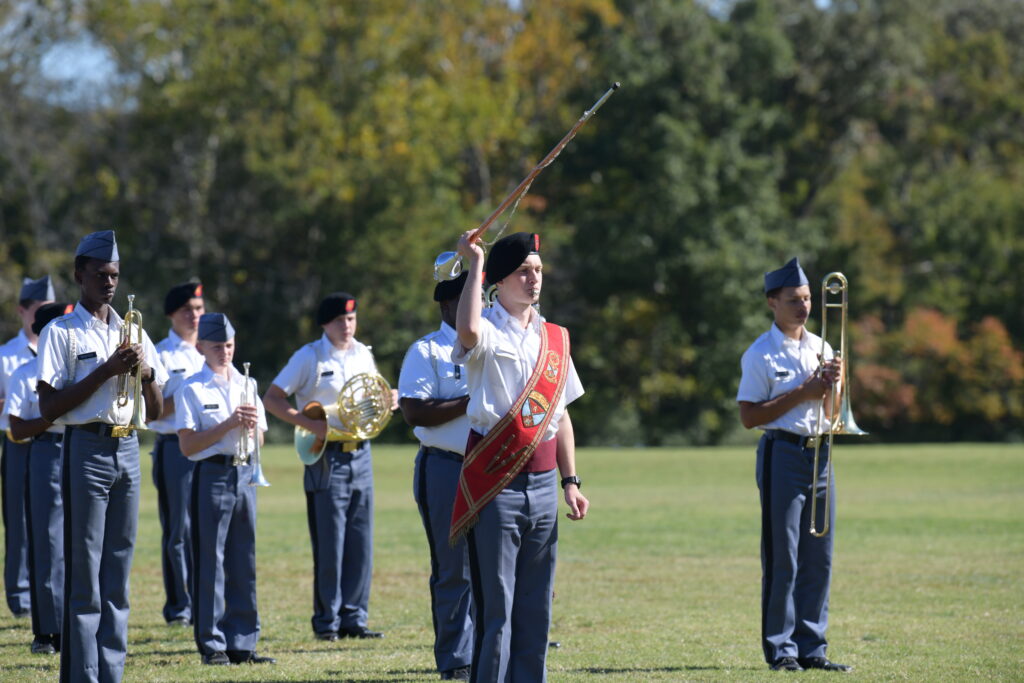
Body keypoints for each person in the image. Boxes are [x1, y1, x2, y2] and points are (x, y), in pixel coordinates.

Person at [450, 230, 589, 682]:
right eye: (523, 272)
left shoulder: (555, 338)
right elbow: (468, 331)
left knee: (536, 605)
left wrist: (571, 482)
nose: (534, 279)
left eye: (538, 270)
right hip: (496, 481)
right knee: (497, 609)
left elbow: (560, 414)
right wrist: (474, 263)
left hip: (545, 484)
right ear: (500, 281)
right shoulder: (487, 328)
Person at [36, 230, 167, 683]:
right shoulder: (61, 332)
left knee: (118, 572)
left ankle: (111, 673)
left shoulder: (133, 330)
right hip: (86, 447)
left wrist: (145, 373)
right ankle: (83, 674)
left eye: (114, 275)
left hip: (128, 447)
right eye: (100, 275)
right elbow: (49, 407)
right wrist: (107, 370)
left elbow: (158, 410)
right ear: (79, 276)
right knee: (85, 571)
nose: (109, 283)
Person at [736, 257, 851, 673]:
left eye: (806, 299)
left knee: (819, 556)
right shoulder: (760, 353)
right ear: (772, 302)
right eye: (793, 300)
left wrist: (834, 385)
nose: (803, 307)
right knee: (783, 557)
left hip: (820, 455)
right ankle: (781, 649)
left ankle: (812, 647)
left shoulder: (822, 346)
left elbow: (832, 412)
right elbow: (749, 416)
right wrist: (804, 391)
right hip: (782, 454)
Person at [263, 292, 390, 641]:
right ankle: (327, 622)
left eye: (351, 318)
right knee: (330, 543)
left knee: (361, 541)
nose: (347, 325)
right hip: (326, 456)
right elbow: (272, 398)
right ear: (324, 324)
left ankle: (354, 619)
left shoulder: (363, 353)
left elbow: (371, 396)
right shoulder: (309, 356)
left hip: (361, 453)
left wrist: (387, 401)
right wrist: (309, 424)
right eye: (339, 320)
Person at [176, 312, 274, 666]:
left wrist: (250, 428)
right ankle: (212, 642)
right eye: (218, 346)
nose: (225, 352)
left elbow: (260, 438)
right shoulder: (192, 388)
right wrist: (230, 423)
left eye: (229, 345)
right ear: (201, 347)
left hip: (244, 472)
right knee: (210, 561)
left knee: (243, 559)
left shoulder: (248, 383)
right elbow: (188, 446)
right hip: (211, 474)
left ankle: (243, 642)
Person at [398, 270, 473, 681]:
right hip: (446, 466)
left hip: (490, 467)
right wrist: (468, 402)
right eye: (465, 299)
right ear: (446, 305)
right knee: (453, 566)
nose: (476, 306)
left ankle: (490, 648)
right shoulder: (427, 350)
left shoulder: (489, 344)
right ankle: (456, 659)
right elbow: (414, 411)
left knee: (493, 565)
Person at [4, 301, 73, 655]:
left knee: (85, 542)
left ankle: (79, 623)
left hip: (83, 448)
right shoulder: (25, 373)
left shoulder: (78, 370)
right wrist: (54, 414)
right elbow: (16, 429)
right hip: (46, 450)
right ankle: (48, 629)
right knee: (46, 540)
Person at [147, 281, 205, 627]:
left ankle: (205, 601)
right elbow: (150, 412)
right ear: (171, 314)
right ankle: (179, 607)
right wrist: (188, 396)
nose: (194, 316)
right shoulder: (162, 354)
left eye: (199, 309)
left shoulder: (212, 348)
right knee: (178, 531)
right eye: (187, 310)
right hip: (174, 449)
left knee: (207, 528)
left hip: (210, 448)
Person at [0, 274, 55, 617]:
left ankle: (47, 590)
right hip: (18, 443)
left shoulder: (59, 351)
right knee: (19, 520)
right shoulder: (6, 355)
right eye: (38, 309)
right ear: (22, 311)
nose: (43, 316)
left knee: (52, 522)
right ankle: (20, 596)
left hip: (54, 443)